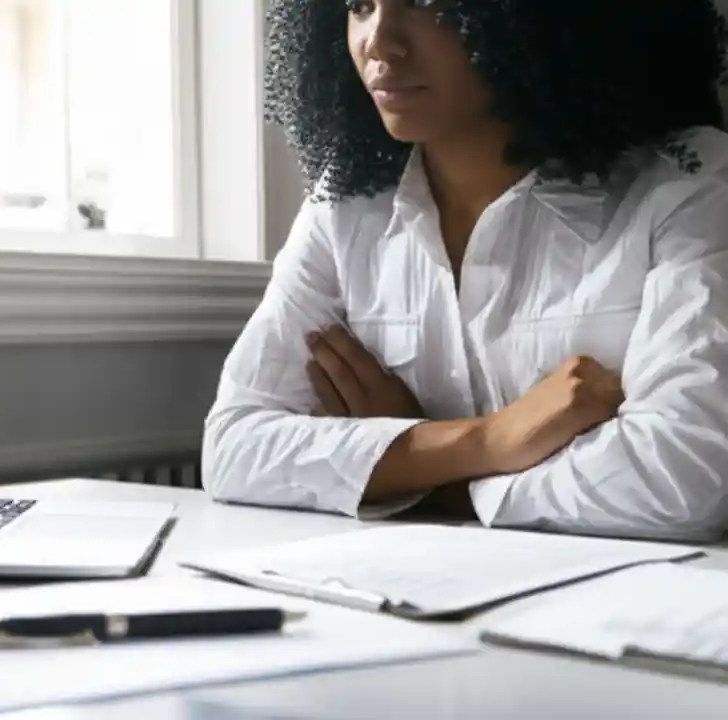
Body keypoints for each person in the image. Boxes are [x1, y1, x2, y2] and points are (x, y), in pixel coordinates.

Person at [203, 0, 728, 541]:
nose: (379, 43)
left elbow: (685, 479)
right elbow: (235, 447)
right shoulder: (345, 205)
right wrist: (487, 440)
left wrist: (423, 476)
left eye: (427, 4)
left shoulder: (692, 183)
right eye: (359, 5)